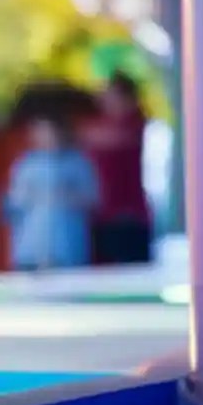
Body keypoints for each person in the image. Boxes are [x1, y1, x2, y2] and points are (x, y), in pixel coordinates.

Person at [7, 114, 98, 271]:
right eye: (39, 131)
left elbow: (92, 199)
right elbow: (14, 203)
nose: (44, 136)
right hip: (30, 248)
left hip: (67, 248)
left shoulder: (77, 162)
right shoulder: (25, 165)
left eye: (48, 131)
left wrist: (66, 195)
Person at [85, 72, 152, 265]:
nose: (105, 100)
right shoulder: (98, 122)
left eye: (111, 95)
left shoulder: (133, 121)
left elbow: (113, 138)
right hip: (102, 216)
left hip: (128, 216)